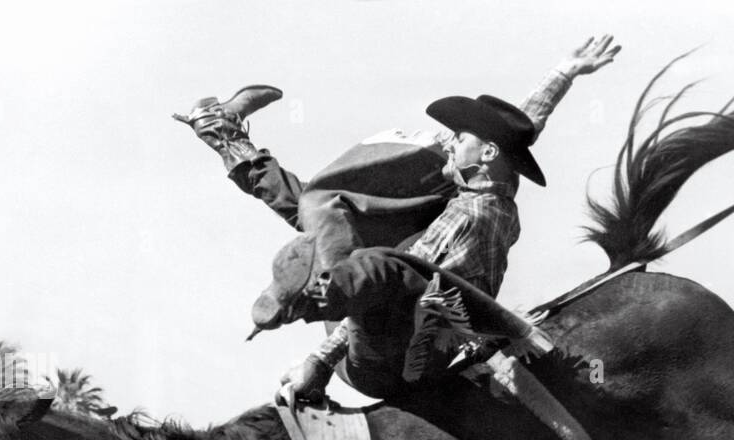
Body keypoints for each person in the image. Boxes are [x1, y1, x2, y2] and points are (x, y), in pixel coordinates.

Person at [181, 36, 620, 403]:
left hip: (398, 356)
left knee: (387, 260)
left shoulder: (471, 214)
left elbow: (409, 272)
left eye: (458, 139)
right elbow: (515, 132)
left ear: (484, 155)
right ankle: (223, 133)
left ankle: (309, 294)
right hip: (397, 334)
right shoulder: (490, 190)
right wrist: (565, 73)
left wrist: (318, 362)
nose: (450, 145)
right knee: (328, 212)